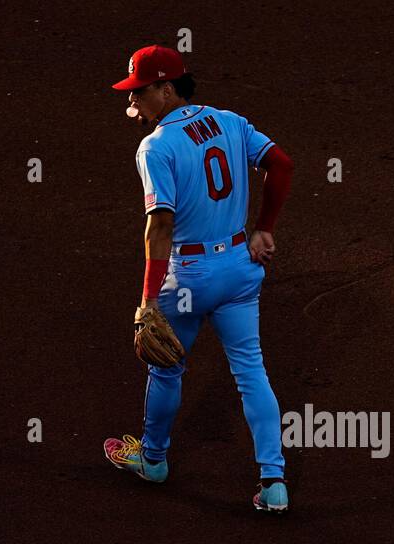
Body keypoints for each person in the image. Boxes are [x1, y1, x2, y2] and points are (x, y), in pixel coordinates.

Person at [104, 45, 295, 513]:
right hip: (238, 268)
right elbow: (282, 164)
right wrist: (264, 228)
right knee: (251, 372)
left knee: (166, 366)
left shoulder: (156, 146)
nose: (135, 104)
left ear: (167, 88)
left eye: (140, 93)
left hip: (189, 277)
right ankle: (274, 484)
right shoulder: (230, 120)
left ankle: (153, 460)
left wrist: (148, 300)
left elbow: (160, 225)